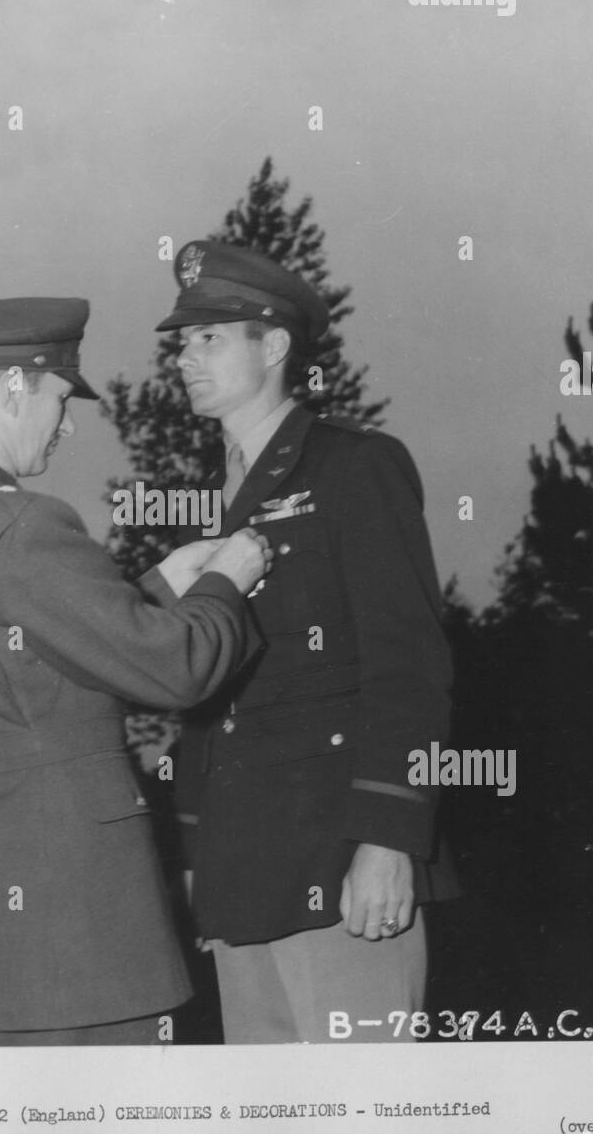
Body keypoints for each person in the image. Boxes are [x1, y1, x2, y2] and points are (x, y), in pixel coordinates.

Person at [0, 296, 270, 1046]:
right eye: (57, 397)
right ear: (13, 387)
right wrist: (225, 580)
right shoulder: (21, 524)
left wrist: (150, 591)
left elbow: (20, 661)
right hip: (75, 912)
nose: (67, 423)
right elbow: (178, 670)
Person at [158, 241, 457, 1043]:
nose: (184, 358)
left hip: (337, 861)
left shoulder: (353, 468)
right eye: (181, 342)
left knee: (359, 1119)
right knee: (269, 1128)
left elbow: (410, 667)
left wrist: (387, 840)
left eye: (208, 339)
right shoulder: (218, 501)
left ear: (275, 346)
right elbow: (205, 700)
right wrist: (195, 853)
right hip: (239, 870)